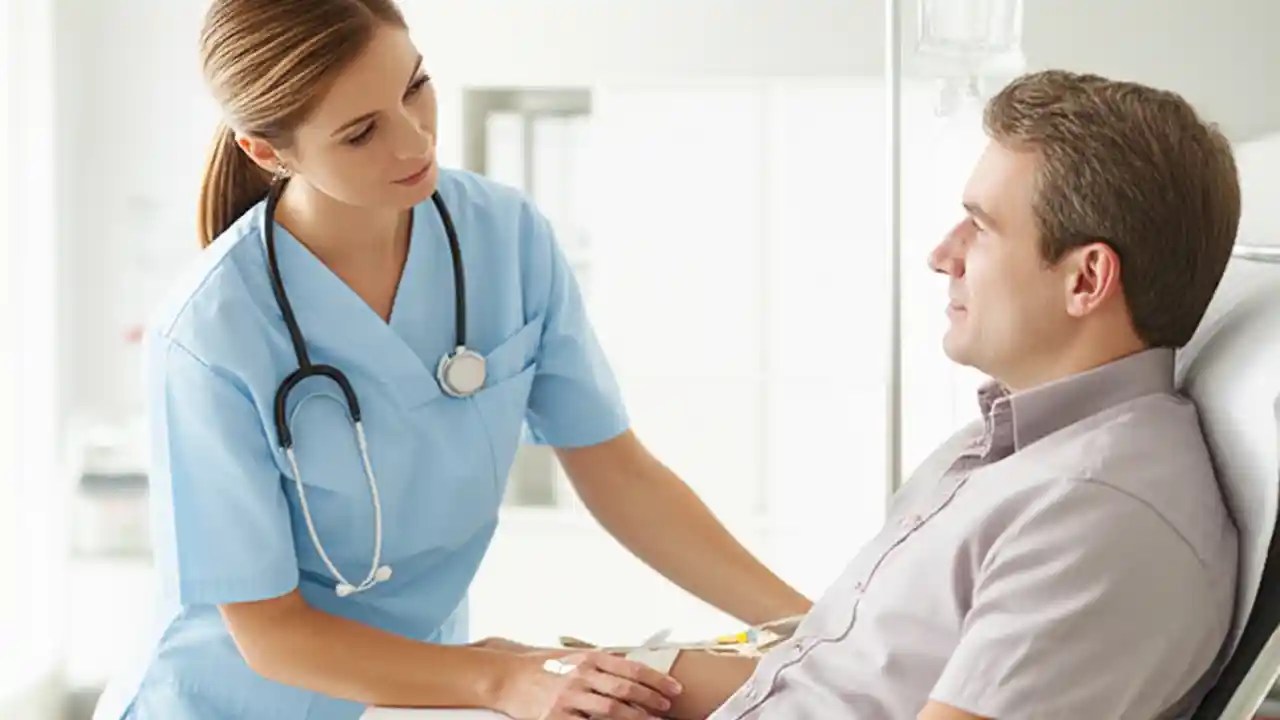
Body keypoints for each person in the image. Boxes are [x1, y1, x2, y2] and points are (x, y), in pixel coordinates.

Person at [92, 1, 813, 718]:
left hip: (408, 694)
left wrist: (826, 631)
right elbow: (272, 636)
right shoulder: (210, 333)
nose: (413, 143)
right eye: (360, 133)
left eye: (414, 86)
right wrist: (504, 681)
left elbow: (619, 473)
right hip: (221, 703)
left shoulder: (505, 236)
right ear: (268, 152)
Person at [554, 69, 1242, 719]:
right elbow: (828, 675)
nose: (944, 254)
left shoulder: (1095, 516)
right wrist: (556, 675)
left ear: (1086, 279)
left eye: (982, 225)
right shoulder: (1006, 447)